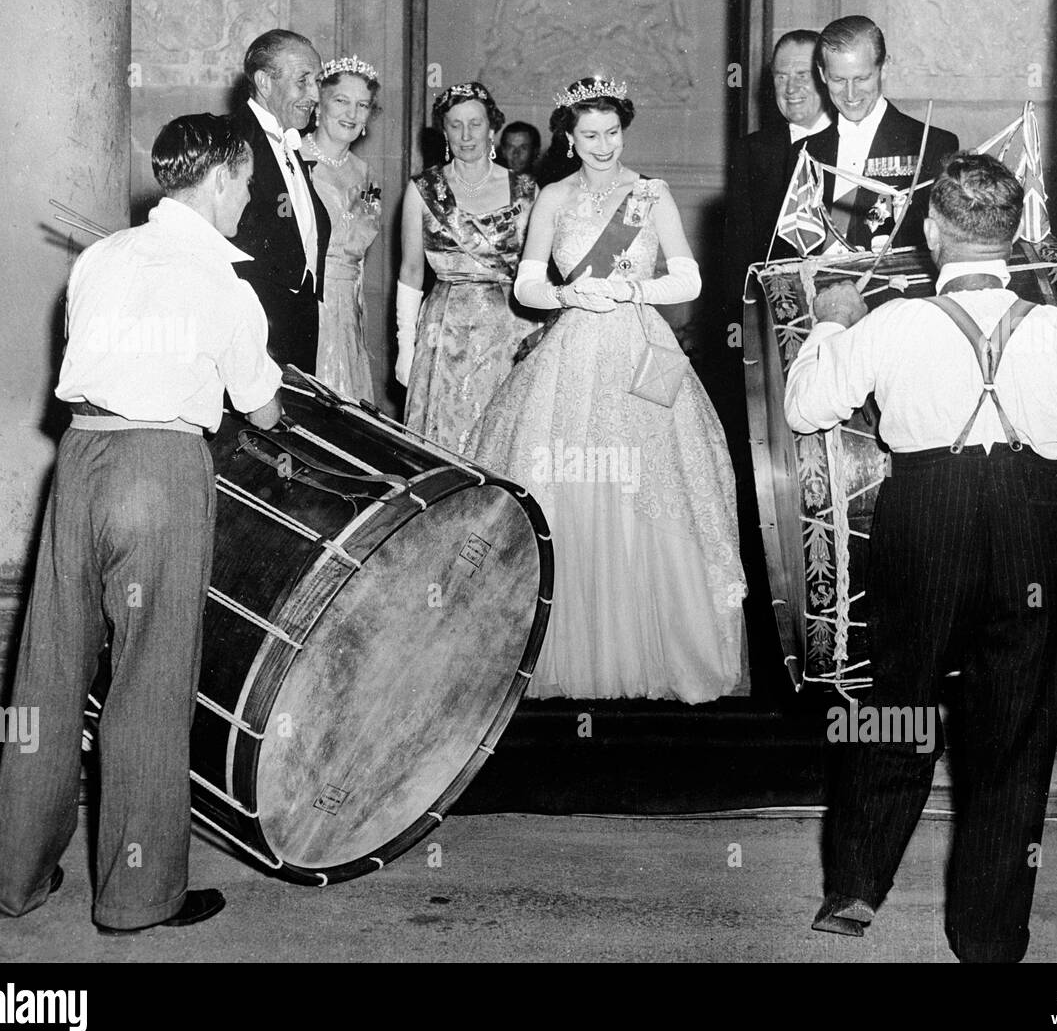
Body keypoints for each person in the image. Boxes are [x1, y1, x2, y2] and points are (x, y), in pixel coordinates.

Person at [783, 153, 1057, 962]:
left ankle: (855, 885)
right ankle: (986, 935)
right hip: (1030, 520)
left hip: (925, 516)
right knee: (1014, 731)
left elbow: (806, 403)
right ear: (1014, 238)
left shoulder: (895, 322)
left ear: (932, 231)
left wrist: (834, 319)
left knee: (895, 698)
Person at [0, 114, 283, 935]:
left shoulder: (101, 258)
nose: (248, 199)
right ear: (217, 178)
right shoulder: (226, 283)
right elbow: (260, 405)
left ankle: (11, 878)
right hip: (162, 471)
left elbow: (90, 355)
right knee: (149, 682)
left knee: (47, 672)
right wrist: (271, 395)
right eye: (246, 183)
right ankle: (138, 896)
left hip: (79, 464)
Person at [471, 77, 747, 704]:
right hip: (572, 353)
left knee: (654, 482)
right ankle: (569, 650)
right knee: (570, 483)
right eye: (589, 135)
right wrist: (566, 294)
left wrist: (632, 291)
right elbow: (527, 287)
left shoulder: (650, 194)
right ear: (568, 138)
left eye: (613, 133)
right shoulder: (552, 198)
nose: (603, 146)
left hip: (641, 349)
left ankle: (659, 647)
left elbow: (688, 279)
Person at [395, 81, 541, 452]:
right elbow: (411, 272)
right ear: (443, 131)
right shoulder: (423, 189)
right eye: (455, 125)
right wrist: (404, 347)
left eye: (475, 123)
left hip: (509, 330)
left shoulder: (526, 190)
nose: (465, 135)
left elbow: (537, 272)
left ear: (492, 128)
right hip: (445, 335)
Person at [803, 15, 958, 251]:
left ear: (884, 68)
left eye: (862, 78)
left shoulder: (931, 145)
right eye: (838, 80)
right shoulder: (804, 151)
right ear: (822, 74)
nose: (851, 94)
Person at [231, 28, 331, 372]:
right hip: (254, 332)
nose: (315, 94)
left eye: (317, 81)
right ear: (264, 82)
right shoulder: (233, 140)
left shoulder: (289, 142)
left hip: (297, 323)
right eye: (303, 81)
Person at [301, 54, 383, 401]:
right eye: (341, 101)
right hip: (308, 305)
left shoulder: (365, 173)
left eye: (362, 105)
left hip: (349, 312)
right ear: (319, 105)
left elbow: (360, 254)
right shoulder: (294, 158)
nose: (351, 114)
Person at [725, 29, 831, 291]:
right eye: (781, 77)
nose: (791, 88)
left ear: (825, 77)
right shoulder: (751, 151)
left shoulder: (853, 141)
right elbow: (738, 257)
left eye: (802, 76)